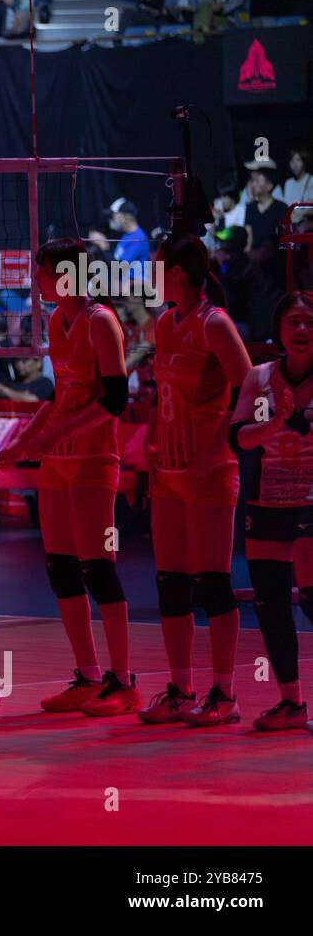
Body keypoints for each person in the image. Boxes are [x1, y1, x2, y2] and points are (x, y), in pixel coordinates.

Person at [0, 239, 139, 716]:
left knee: (98, 565)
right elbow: (60, 397)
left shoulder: (100, 320)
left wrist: (56, 437)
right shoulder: (58, 321)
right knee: (60, 565)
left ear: (67, 275)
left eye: (43, 273)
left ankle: (124, 680)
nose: (38, 282)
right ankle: (88, 675)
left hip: (95, 460)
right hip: (59, 460)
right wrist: (22, 440)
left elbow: (115, 400)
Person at [138, 234, 252, 727]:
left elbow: (249, 387)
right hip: (168, 471)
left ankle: (224, 694)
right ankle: (180, 689)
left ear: (180, 271)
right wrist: (149, 437)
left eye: (157, 267)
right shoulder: (166, 322)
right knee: (171, 583)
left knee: (213, 583)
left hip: (209, 471)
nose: (151, 275)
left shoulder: (214, 324)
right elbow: (162, 391)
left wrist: (216, 447)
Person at [230, 292, 313, 731]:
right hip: (265, 503)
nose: (301, 330)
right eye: (293, 322)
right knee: (271, 605)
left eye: (309, 322)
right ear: (279, 329)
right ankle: (291, 703)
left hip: (310, 502)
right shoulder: (259, 377)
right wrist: (279, 422)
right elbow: (238, 437)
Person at [244, 165, 285, 255]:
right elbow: (249, 234)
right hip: (254, 254)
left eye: (257, 181)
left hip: (274, 255)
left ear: (269, 186)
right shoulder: (250, 208)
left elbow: (282, 235)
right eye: (253, 181)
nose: (253, 184)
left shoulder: (281, 207)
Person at [281, 147, 312, 212]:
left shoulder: (311, 180)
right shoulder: (288, 183)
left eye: (298, 160)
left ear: (304, 162)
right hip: (291, 220)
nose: (295, 164)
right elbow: (287, 205)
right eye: (292, 161)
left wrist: (300, 215)